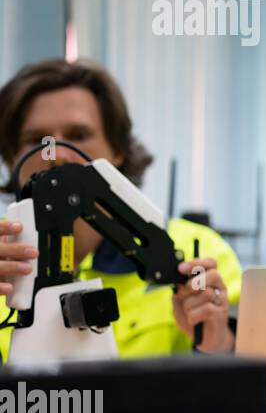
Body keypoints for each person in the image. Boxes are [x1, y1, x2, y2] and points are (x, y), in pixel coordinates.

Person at [0, 59, 240, 361]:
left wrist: (218, 342)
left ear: (117, 150)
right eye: (38, 141)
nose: (57, 154)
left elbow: (260, 374)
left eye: (78, 135)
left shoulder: (200, 251)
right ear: (11, 157)